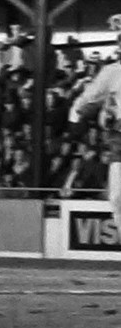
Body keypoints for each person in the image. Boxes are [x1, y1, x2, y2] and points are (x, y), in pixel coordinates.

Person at [66, 15, 121, 235]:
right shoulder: (112, 72)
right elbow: (89, 97)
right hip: (120, 140)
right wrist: (77, 110)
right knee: (117, 197)